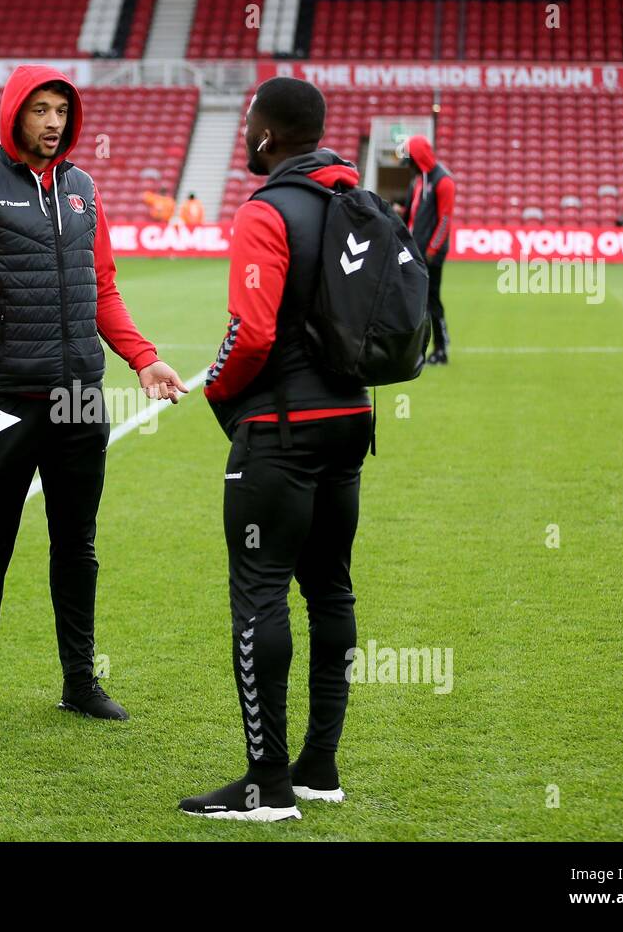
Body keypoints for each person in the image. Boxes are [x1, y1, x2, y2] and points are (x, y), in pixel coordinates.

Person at [0, 65, 188, 722]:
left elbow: (102, 288)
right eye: (39, 110)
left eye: (60, 112)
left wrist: (143, 358)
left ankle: (80, 681)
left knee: (78, 544)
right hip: (4, 403)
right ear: (15, 113)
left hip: (81, 401)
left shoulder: (83, 190)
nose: (52, 123)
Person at [179, 76, 373, 822]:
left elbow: (250, 334)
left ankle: (267, 784)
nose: (244, 137)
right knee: (331, 589)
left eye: (250, 125)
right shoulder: (357, 203)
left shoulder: (266, 210)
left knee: (261, 594)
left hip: (281, 431)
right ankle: (320, 765)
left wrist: (218, 392)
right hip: (352, 418)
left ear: (268, 134)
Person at [403, 135, 455, 364]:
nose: (408, 166)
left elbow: (445, 219)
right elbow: (413, 213)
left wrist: (433, 249)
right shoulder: (419, 180)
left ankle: (441, 348)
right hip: (417, 250)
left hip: (430, 254)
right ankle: (420, 350)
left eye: (410, 160)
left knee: (431, 300)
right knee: (418, 301)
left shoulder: (443, 181)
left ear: (418, 158)